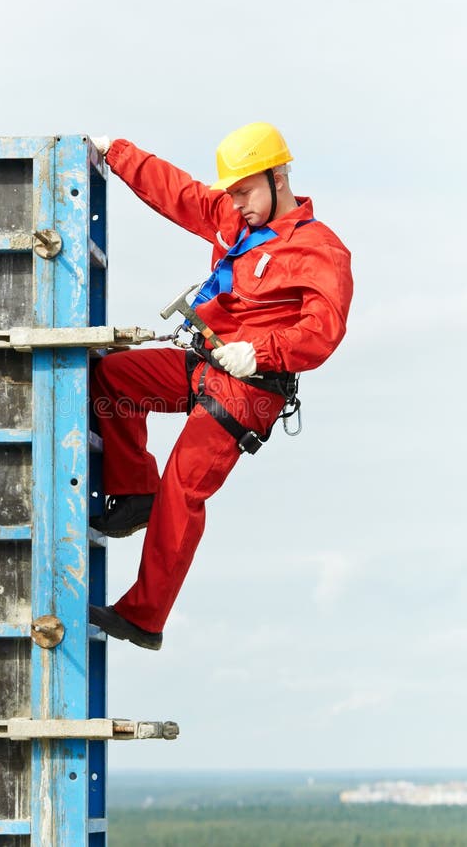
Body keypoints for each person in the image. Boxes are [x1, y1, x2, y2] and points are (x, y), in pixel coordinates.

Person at [88, 122, 353, 651]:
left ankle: (144, 616)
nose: (237, 203)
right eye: (232, 193)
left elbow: (324, 330)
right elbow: (179, 193)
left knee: (183, 489)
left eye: (245, 191)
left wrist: (261, 351)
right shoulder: (233, 218)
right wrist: (116, 152)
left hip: (249, 389)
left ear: (279, 178)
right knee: (113, 378)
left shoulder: (321, 250)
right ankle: (136, 491)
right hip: (206, 363)